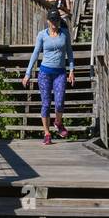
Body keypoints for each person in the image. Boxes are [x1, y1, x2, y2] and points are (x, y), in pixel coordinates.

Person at [21, 10, 75, 144]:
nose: (54, 23)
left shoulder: (65, 34)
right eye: (52, 20)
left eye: (56, 20)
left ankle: (58, 122)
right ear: (48, 21)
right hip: (45, 73)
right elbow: (35, 54)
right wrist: (27, 74)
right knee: (45, 103)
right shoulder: (42, 35)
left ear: (59, 20)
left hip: (60, 73)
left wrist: (72, 70)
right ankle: (47, 133)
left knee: (59, 100)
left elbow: (69, 52)